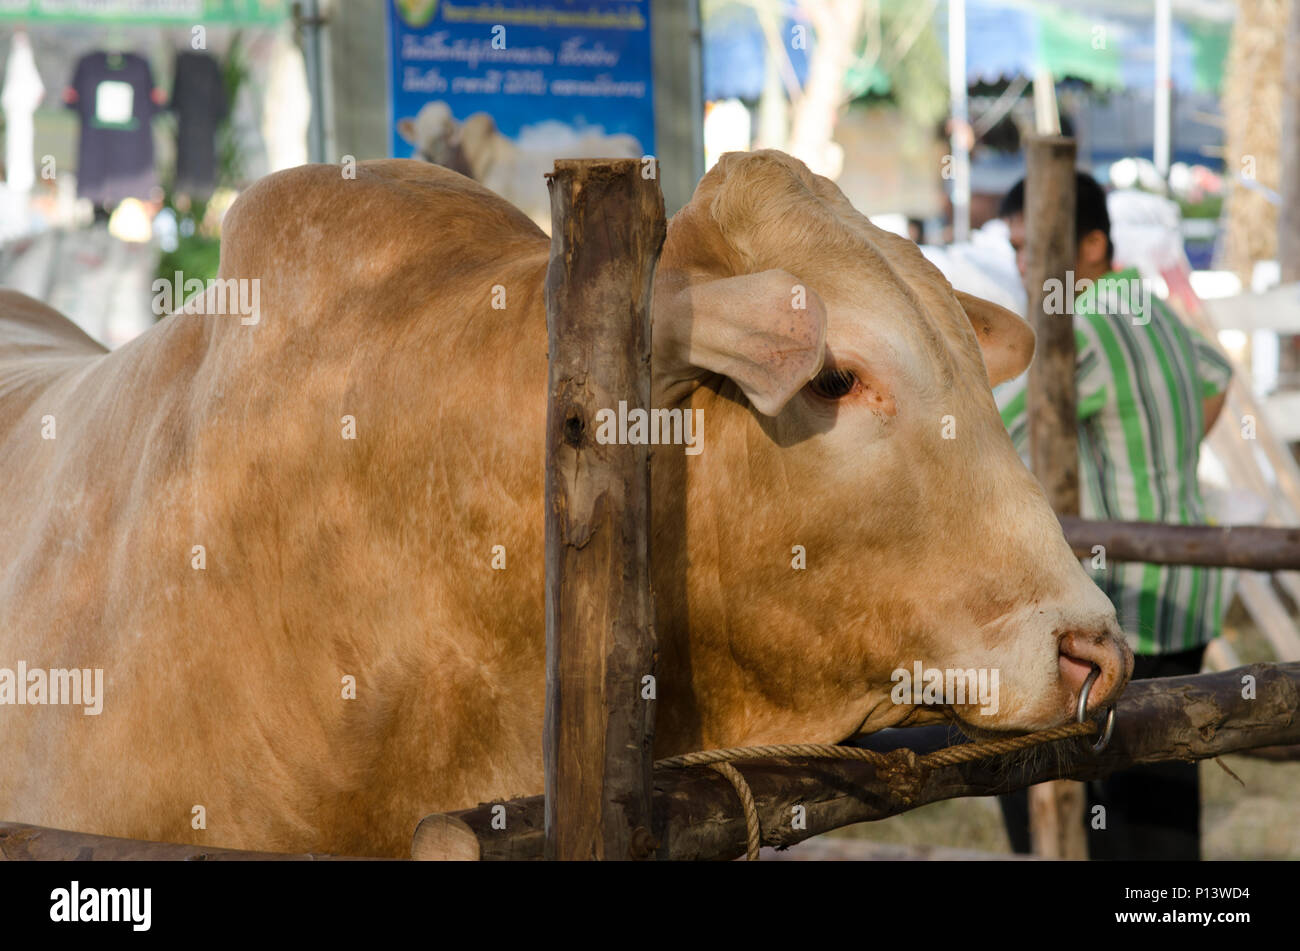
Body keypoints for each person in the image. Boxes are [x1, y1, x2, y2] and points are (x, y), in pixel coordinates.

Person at [994, 171, 1233, 860]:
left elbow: (990, 434)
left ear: (1091, 243)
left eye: (1035, 247)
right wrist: (1161, 463)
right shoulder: (1149, 305)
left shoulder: (1082, 331)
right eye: (1016, 249)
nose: (1023, 266)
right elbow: (1219, 375)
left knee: (1116, 813)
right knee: (1164, 798)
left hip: (1127, 595)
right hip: (1190, 582)